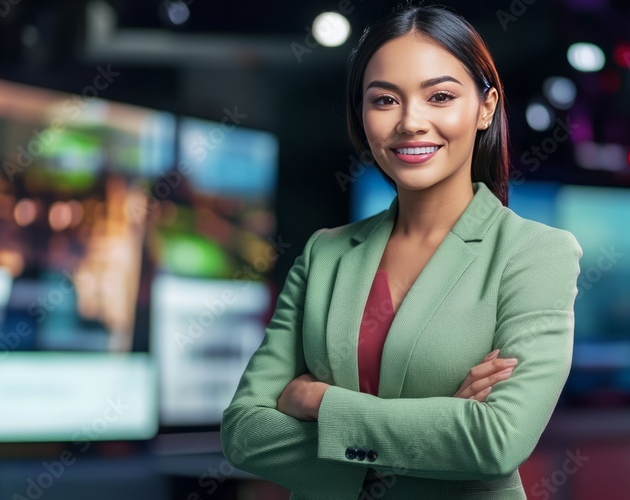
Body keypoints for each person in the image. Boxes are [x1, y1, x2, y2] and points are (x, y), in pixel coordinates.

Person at [220, 4, 584, 500]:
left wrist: (318, 402)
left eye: (439, 97)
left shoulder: (536, 253)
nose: (411, 122)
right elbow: (243, 433)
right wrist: (437, 432)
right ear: (362, 114)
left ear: (486, 107)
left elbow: (495, 441)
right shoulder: (324, 254)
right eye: (385, 100)